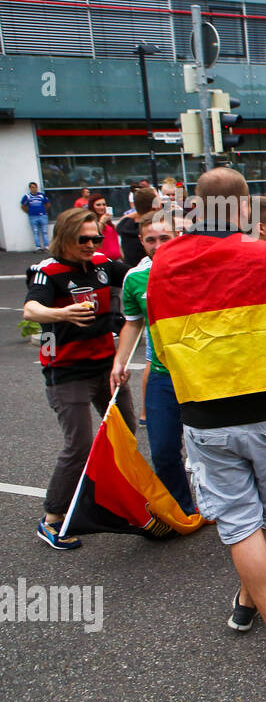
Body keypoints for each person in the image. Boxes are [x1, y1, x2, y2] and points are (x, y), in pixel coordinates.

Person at [147, 168, 266, 661]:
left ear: (199, 207)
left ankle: (249, 601)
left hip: (202, 409)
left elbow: (160, 343)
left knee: (240, 521)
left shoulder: (164, 262)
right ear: (244, 208)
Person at [24, 208, 137, 549]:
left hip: (106, 367)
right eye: (83, 239)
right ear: (64, 237)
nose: (91, 245)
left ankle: (112, 500)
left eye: (96, 238)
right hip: (66, 372)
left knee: (124, 434)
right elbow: (31, 310)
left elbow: (136, 277)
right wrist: (60, 313)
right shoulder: (47, 271)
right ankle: (52, 519)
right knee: (80, 446)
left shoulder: (103, 264)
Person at [107, 209, 199, 516]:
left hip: (202, 372)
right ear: (142, 242)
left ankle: (219, 506)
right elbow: (132, 323)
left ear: (177, 237)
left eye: (165, 238)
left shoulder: (196, 268)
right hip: (162, 374)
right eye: (151, 239)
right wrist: (120, 362)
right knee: (162, 450)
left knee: (212, 449)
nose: (158, 244)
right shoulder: (135, 278)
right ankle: (181, 509)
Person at [87, 193, 121, 261]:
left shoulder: (109, 223)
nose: (102, 207)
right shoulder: (91, 222)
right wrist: (102, 221)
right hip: (101, 260)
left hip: (116, 260)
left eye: (104, 204)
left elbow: (116, 243)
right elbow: (95, 235)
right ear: (92, 206)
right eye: (98, 205)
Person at [21, 181, 52, 251]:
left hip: (43, 216)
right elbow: (23, 206)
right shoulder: (27, 196)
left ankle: (46, 246)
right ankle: (38, 247)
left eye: (35, 187)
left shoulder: (42, 195)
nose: (34, 189)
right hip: (33, 217)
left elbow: (47, 204)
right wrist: (29, 212)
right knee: (35, 232)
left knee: (44, 231)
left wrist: (44, 211)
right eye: (32, 187)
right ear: (30, 188)